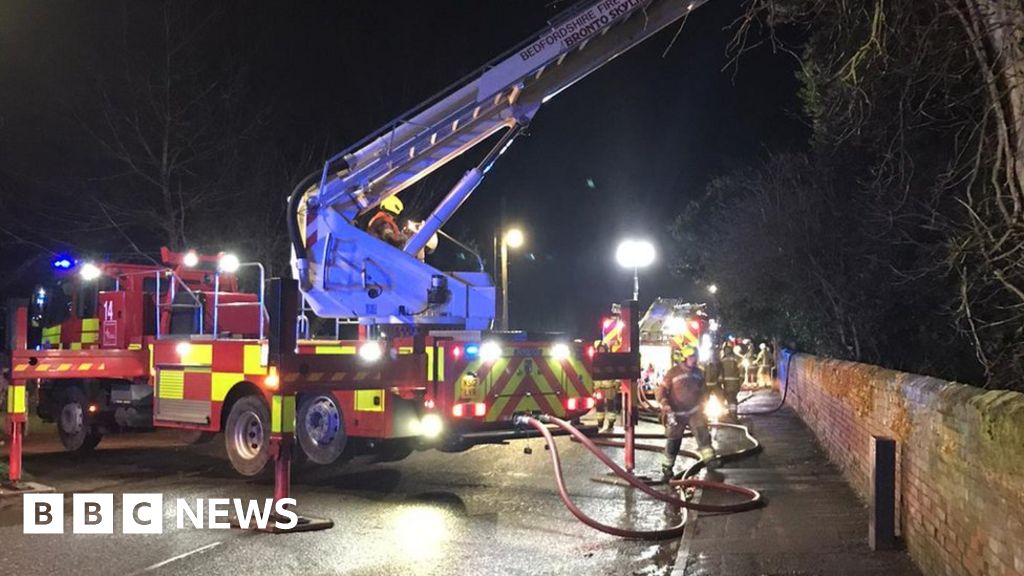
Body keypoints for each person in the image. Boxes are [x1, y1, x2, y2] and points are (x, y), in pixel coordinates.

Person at [655, 348, 715, 481]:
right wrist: (665, 404)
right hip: (677, 413)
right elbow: (661, 391)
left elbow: (704, 391)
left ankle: (710, 461)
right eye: (691, 357)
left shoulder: (699, 373)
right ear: (684, 358)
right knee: (674, 441)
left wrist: (703, 402)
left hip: (694, 411)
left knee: (703, 434)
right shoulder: (673, 372)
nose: (694, 360)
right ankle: (667, 467)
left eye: (695, 357)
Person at [720, 344, 743, 419]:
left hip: (729, 383)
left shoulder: (723, 359)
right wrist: (741, 380)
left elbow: (741, 370)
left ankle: (733, 414)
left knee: (731, 398)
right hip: (731, 383)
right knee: (731, 398)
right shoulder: (736, 358)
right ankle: (732, 413)